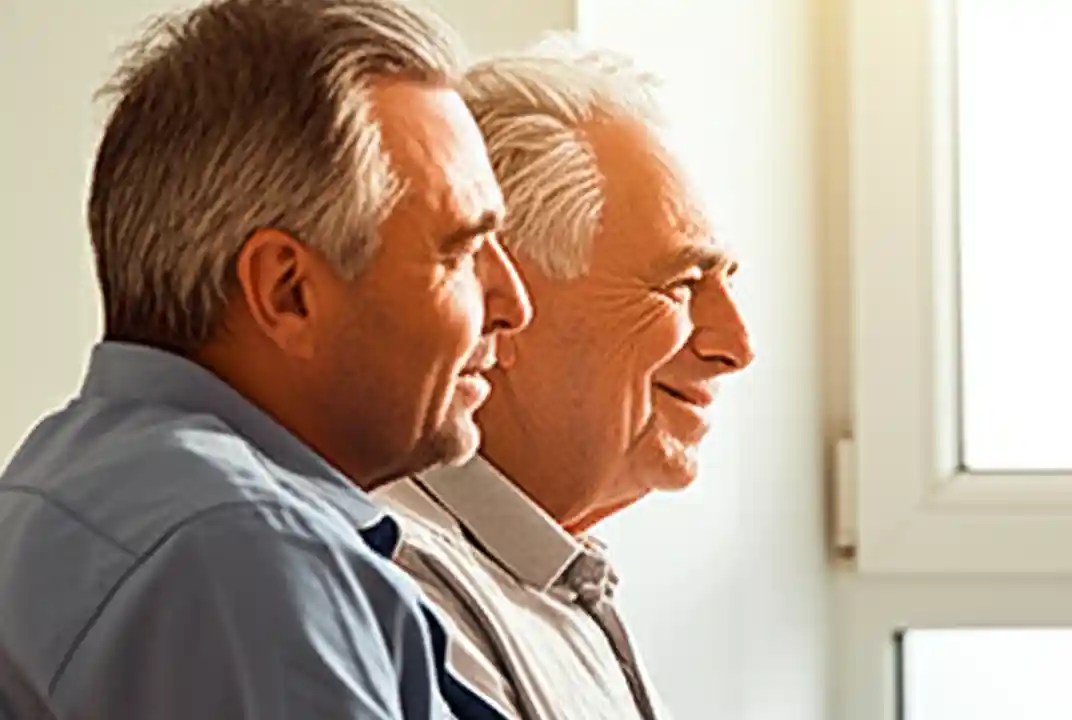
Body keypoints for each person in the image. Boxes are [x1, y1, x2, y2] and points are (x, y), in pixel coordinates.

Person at [0, 1, 530, 718]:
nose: (512, 303)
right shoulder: (248, 552)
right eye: (461, 252)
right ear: (288, 292)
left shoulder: (61, 484)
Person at [375, 41, 755, 720]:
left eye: (726, 281)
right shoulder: (403, 596)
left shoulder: (552, 579)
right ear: (503, 302)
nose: (737, 347)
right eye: (682, 285)